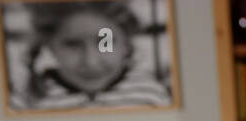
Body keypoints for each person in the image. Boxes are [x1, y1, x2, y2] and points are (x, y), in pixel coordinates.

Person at [10, 1, 170, 110]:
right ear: (50, 45)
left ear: (126, 43)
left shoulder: (151, 95)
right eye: (73, 44)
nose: (91, 62)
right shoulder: (27, 102)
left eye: (105, 42)